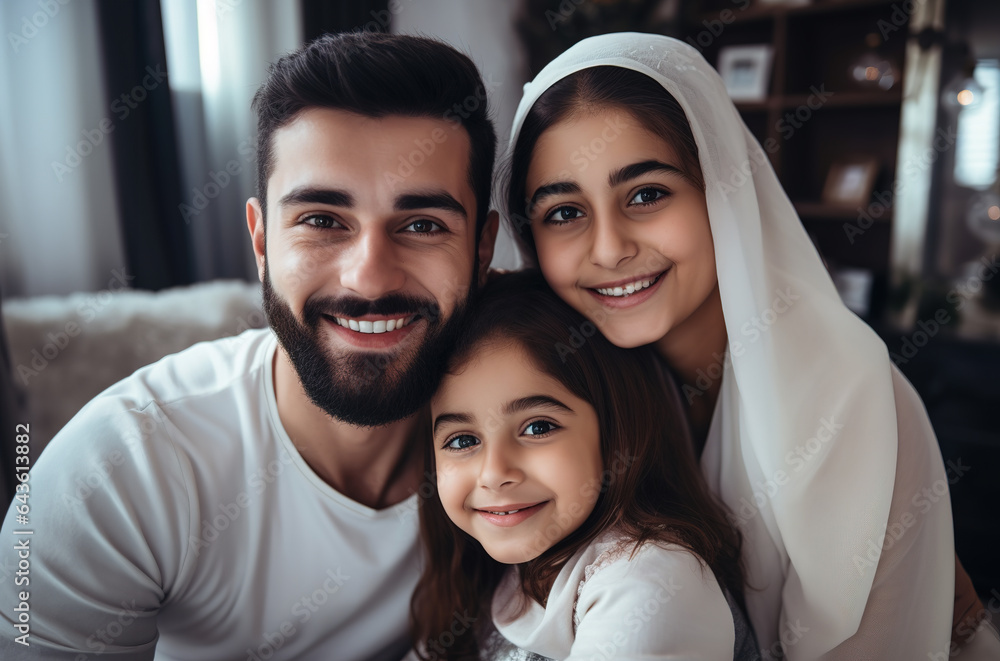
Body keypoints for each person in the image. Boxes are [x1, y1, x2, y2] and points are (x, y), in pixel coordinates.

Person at [0, 32, 499, 660]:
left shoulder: (536, 422)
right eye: (322, 220)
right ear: (261, 243)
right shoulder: (120, 466)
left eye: (423, 225)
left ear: (482, 250)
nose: (369, 277)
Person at [503, 32, 1000, 660]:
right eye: (563, 213)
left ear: (723, 190)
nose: (608, 249)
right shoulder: (579, 381)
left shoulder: (843, 389)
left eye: (647, 194)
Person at [410, 269, 759, 660]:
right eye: (462, 441)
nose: (494, 473)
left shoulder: (652, 580)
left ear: (615, 432)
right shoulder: (498, 574)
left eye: (538, 427)